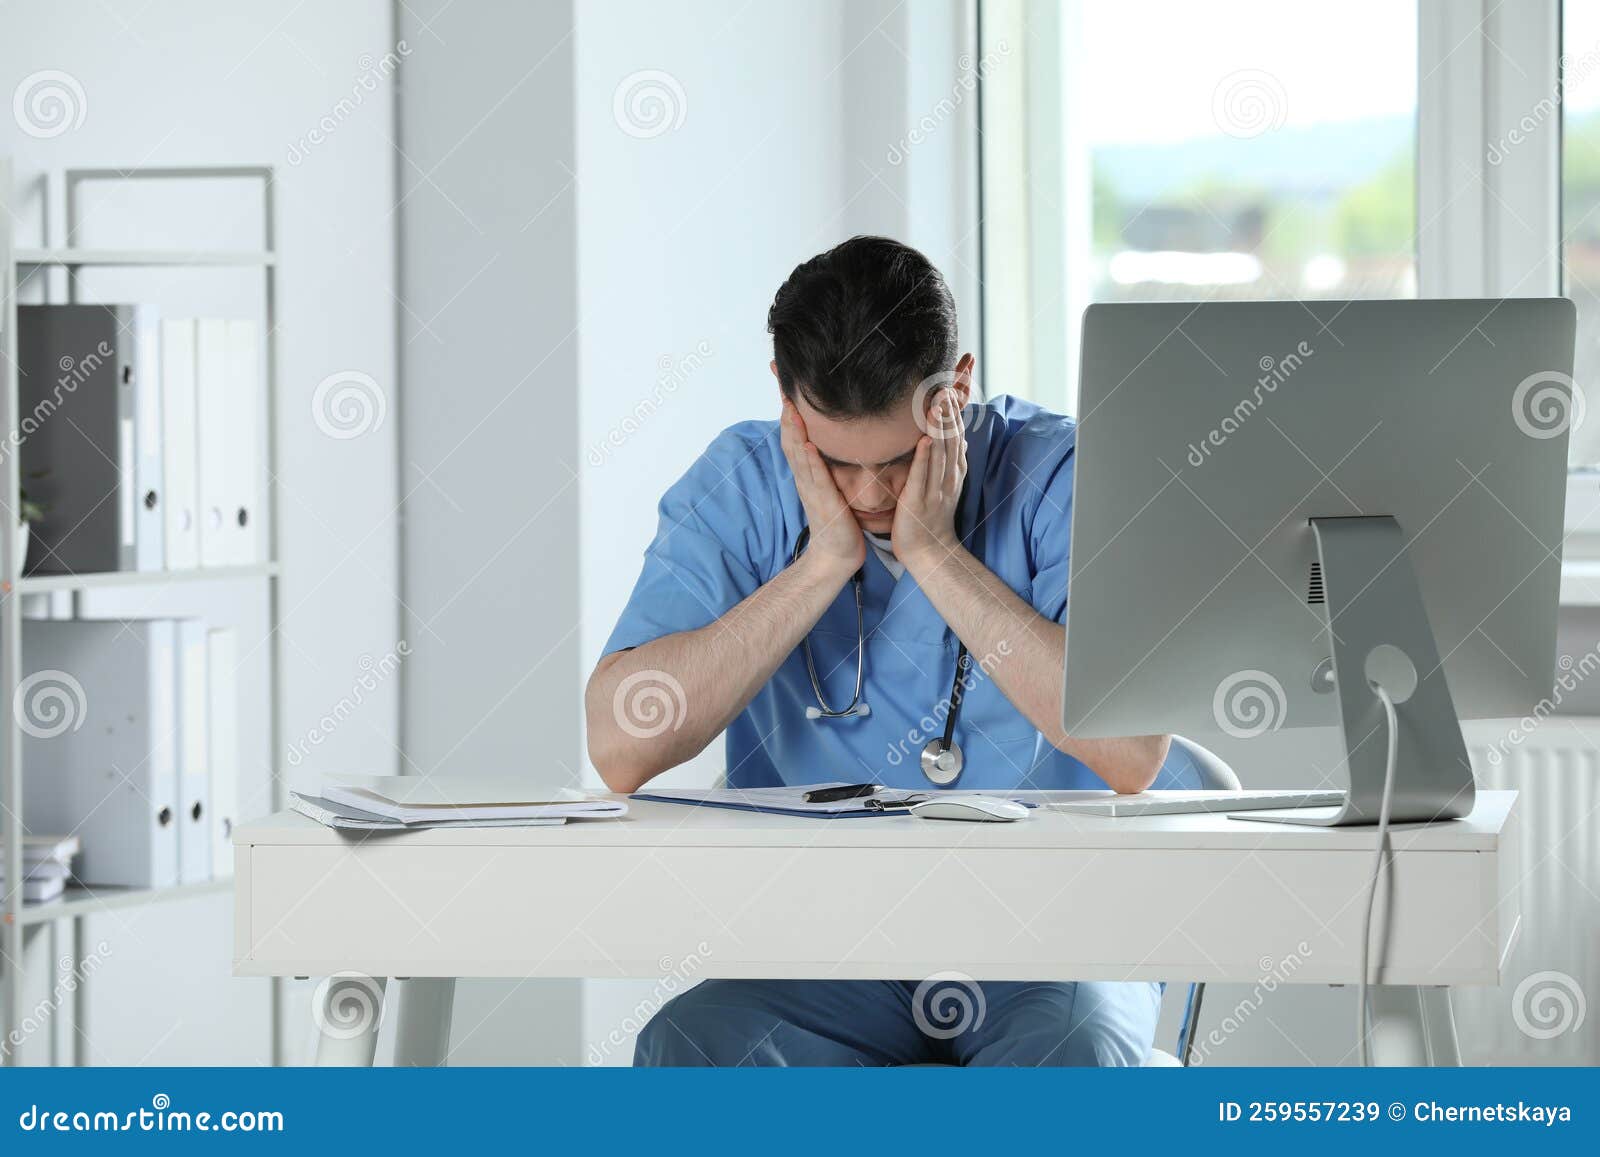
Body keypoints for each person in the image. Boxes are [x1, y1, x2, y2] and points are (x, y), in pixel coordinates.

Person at [585, 235, 1205, 1067]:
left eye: (902, 459)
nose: (873, 493)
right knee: (690, 1046)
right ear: (787, 402)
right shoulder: (744, 485)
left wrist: (937, 555)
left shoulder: (1057, 474)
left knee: (1075, 1053)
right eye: (838, 463)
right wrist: (819, 567)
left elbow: (1132, 751)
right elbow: (620, 747)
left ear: (957, 390)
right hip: (829, 945)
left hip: (1051, 935)